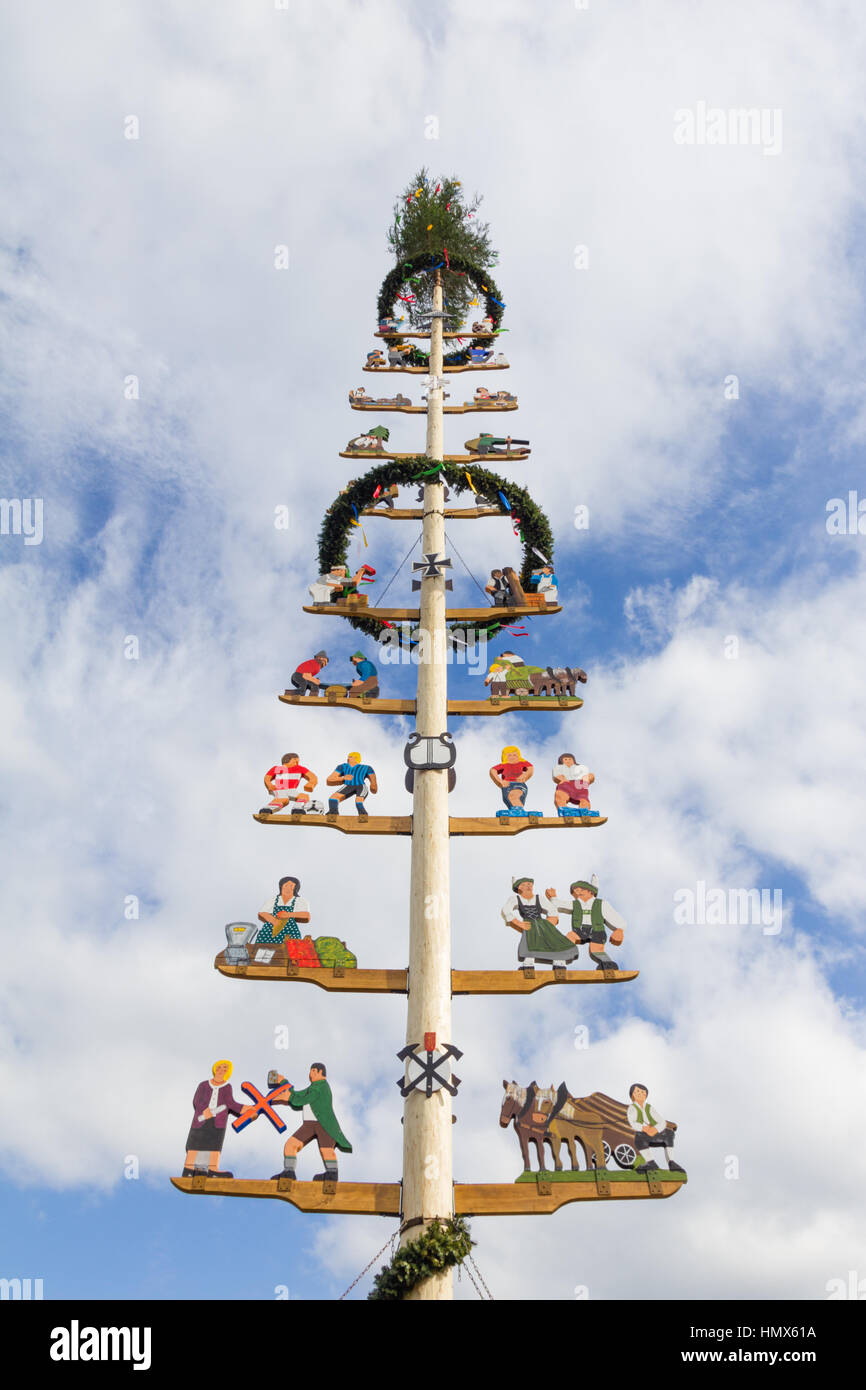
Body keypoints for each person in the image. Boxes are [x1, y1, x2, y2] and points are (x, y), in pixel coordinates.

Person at [270, 1063, 353, 1183]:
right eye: (310, 1071)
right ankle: (289, 1172)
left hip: (324, 1124)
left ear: (321, 1073)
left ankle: (332, 1174)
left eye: (314, 1071)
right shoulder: (312, 1087)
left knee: (326, 1150)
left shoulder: (321, 1087)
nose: (310, 1074)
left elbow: (304, 1099)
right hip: (309, 1124)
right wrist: (283, 1082)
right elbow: (297, 1094)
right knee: (290, 1145)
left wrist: (289, 1098)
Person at [183, 1060, 252, 1179]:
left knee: (213, 1144)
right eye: (220, 1067)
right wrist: (204, 1110)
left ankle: (212, 1170)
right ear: (215, 1069)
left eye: (225, 1068)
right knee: (196, 1143)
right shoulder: (204, 1085)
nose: (222, 1069)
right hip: (201, 1119)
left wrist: (244, 1109)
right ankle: (189, 1169)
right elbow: (197, 1100)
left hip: (218, 1121)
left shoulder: (227, 1087)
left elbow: (230, 1103)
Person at [543, 879, 624, 971]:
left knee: (596, 949)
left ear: (590, 892)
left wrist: (619, 930)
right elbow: (560, 904)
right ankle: (560, 962)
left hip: (597, 931)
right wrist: (553, 897)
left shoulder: (601, 904)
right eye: (575, 891)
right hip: (580, 930)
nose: (578, 892)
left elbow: (613, 916)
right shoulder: (575, 904)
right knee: (570, 937)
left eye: (581, 890)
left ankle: (608, 964)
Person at [501, 876, 582, 965]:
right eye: (525, 884)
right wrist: (519, 923)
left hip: (542, 923)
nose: (528, 886)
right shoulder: (515, 899)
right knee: (530, 942)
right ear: (519, 887)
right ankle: (529, 962)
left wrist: (550, 923)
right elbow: (506, 910)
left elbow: (552, 910)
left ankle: (559, 960)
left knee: (554, 942)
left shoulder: (539, 898)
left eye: (530, 884)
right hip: (529, 924)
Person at [626, 1084, 686, 1174]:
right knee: (638, 1138)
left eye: (643, 1092)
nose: (640, 1094)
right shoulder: (632, 1108)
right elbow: (632, 1122)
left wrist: (655, 1129)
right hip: (643, 1133)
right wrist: (644, 1128)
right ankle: (650, 1162)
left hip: (654, 1132)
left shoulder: (649, 1108)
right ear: (632, 1095)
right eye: (637, 1092)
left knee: (669, 1134)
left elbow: (661, 1122)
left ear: (646, 1095)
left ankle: (671, 1162)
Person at [256, 875, 311, 945]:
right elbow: (262, 913)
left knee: (290, 949)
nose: (288, 888)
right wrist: (274, 921)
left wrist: (288, 914)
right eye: (286, 885)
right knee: (263, 949)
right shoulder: (273, 900)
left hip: (290, 932)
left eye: (291, 886)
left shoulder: (300, 901)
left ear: (296, 888)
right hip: (269, 932)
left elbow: (306, 915)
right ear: (281, 886)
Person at [326, 751, 378, 819]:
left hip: (360, 785)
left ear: (356, 758)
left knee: (358, 800)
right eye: (348, 757)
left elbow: (372, 777)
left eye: (350, 757)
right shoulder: (342, 767)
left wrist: (373, 785)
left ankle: (363, 814)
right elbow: (330, 779)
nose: (348, 759)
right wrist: (343, 778)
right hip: (348, 786)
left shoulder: (366, 767)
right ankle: (333, 813)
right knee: (333, 798)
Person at [490, 745, 535, 813]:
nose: (512, 757)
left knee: (514, 795)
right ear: (505, 757)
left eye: (514, 755)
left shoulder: (522, 763)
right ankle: (515, 810)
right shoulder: (503, 765)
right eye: (509, 755)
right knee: (507, 797)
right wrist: (500, 781)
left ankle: (518, 811)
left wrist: (525, 775)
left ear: (518, 756)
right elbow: (493, 770)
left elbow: (530, 768)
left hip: (519, 784)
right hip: (506, 785)